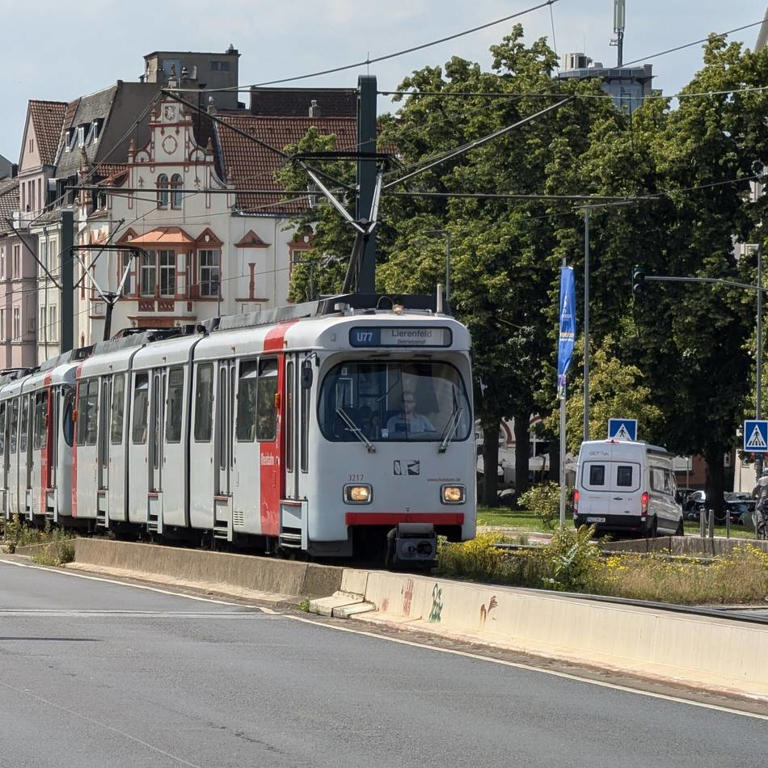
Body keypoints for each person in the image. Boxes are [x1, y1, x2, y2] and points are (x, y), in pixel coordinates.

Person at [751, 471, 768, 539]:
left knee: (758, 509)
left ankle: (761, 522)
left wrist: (752, 497)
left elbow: (755, 489)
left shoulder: (763, 479)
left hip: (764, 499)